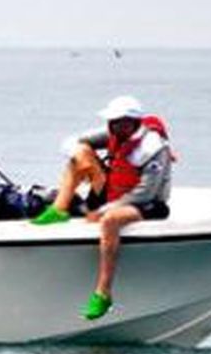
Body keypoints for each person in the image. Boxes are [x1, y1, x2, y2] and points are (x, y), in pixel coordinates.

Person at [30, 95, 175, 320]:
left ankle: (103, 293)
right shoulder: (112, 134)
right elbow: (75, 141)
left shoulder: (154, 148)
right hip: (112, 193)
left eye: (119, 121)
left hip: (147, 204)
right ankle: (58, 210)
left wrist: (107, 208)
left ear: (132, 122)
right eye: (112, 121)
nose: (114, 125)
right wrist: (82, 157)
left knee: (110, 221)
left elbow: (145, 193)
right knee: (78, 158)